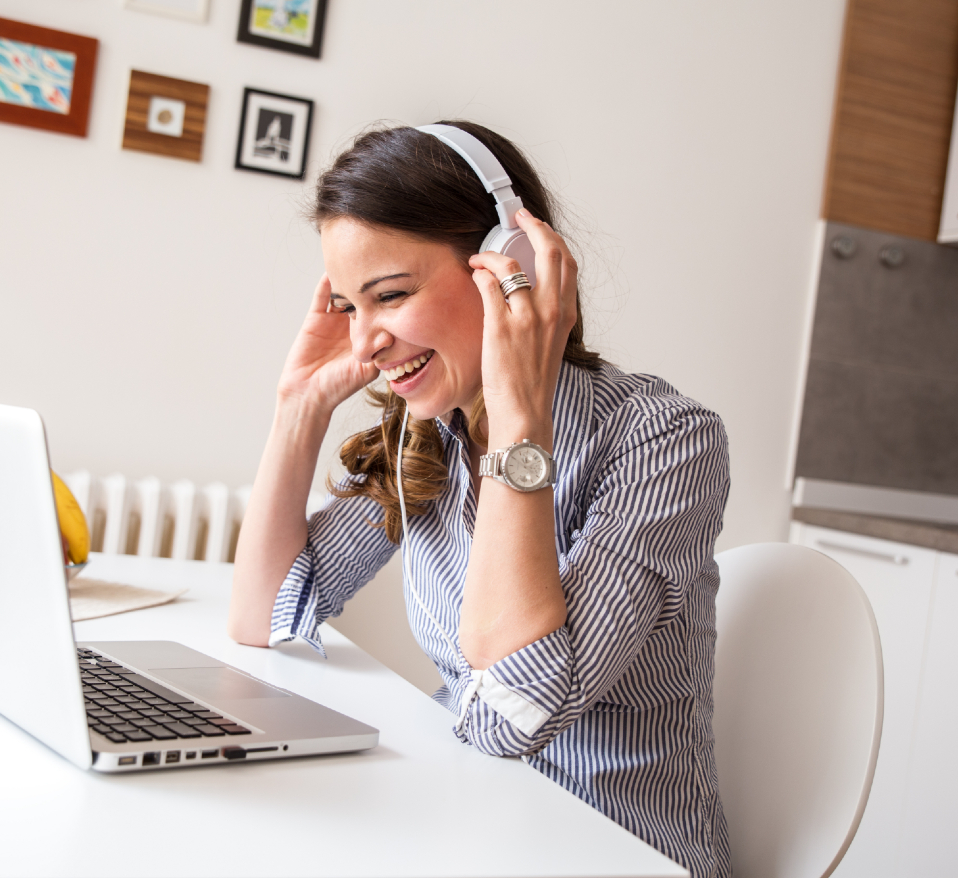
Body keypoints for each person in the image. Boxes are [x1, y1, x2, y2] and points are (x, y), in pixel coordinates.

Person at [227, 120, 731, 878]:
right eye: (349, 307)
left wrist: (519, 418)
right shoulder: (429, 433)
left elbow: (510, 714)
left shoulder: (664, 442)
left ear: (509, 266)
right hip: (470, 828)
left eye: (390, 295)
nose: (365, 343)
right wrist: (298, 407)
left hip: (618, 854)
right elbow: (261, 616)